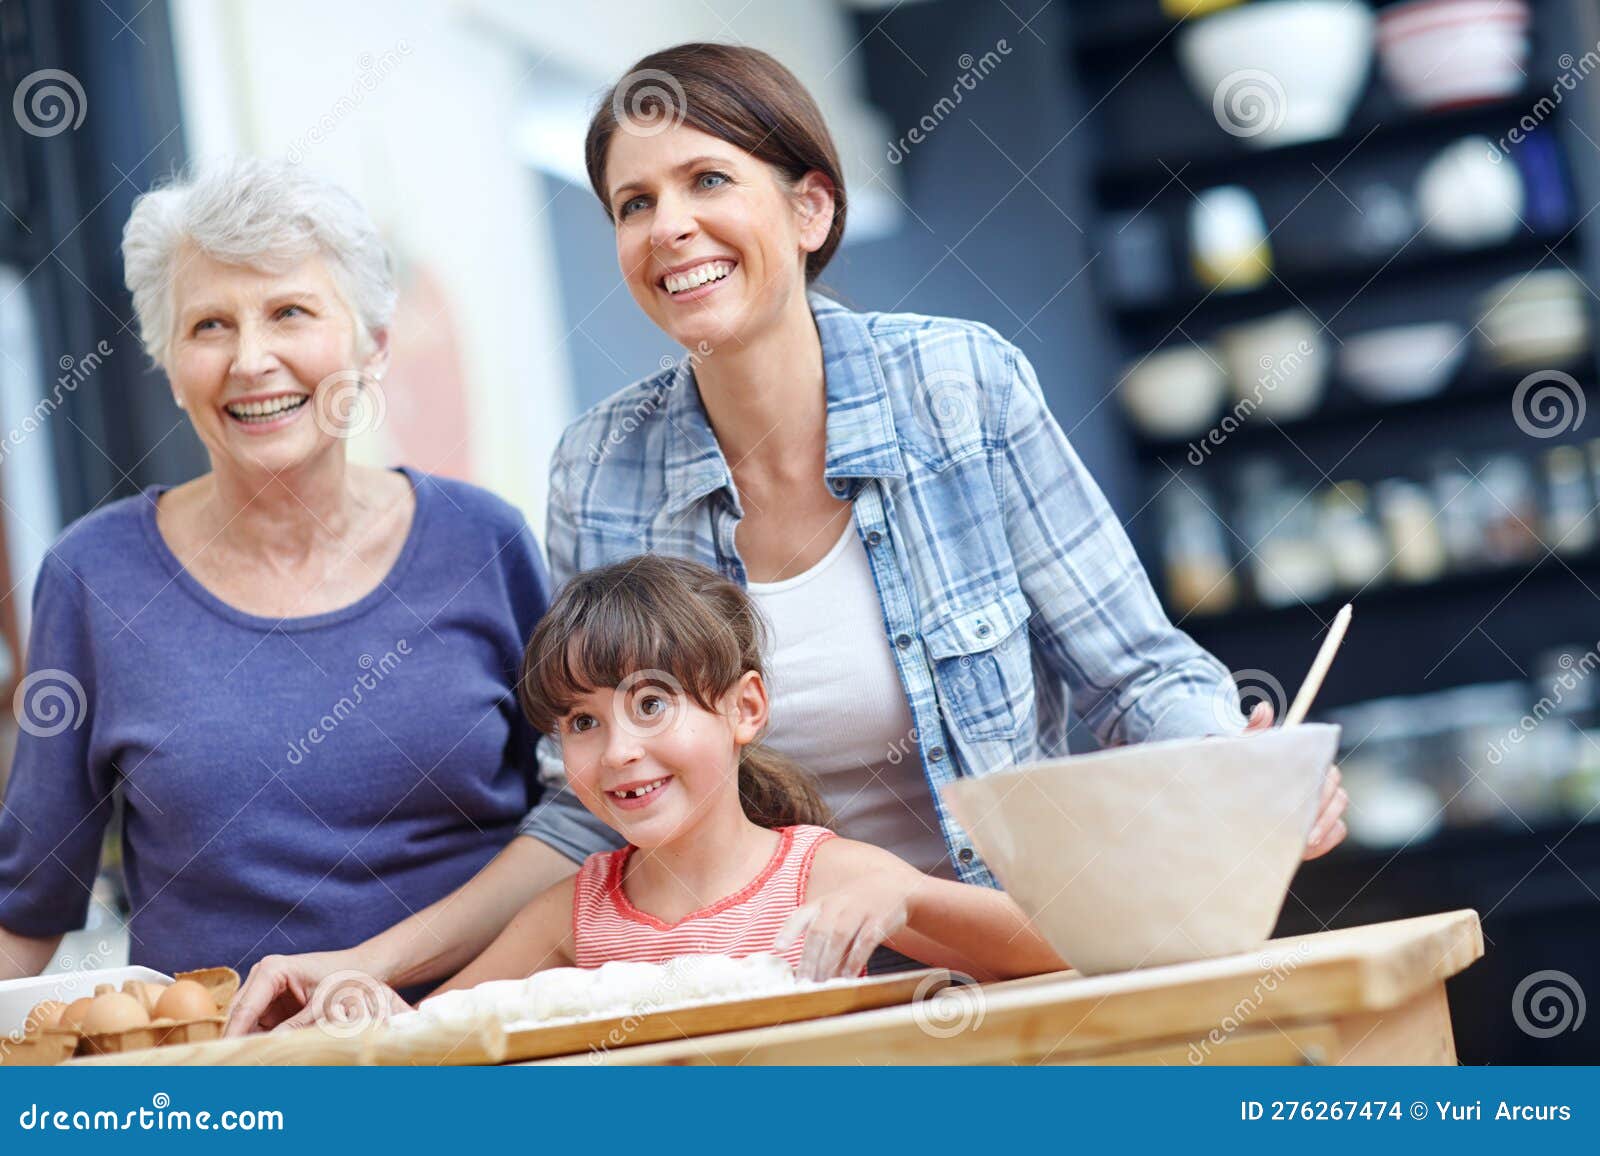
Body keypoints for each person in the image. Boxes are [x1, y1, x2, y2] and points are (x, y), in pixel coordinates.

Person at [227, 43, 1346, 1032]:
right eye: (632, 202)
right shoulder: (600, 467)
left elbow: (1130, 672)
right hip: (773, 1003)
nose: (669, 227)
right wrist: (371, 966)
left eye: (707, 180)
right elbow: (586, 805)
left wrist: (1234, 783)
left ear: (808, 209)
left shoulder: (957, 388)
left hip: (1024, 960)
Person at [0, 159, 549, 998]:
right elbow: (28, 903)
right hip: (230, 1092)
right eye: (209, 326)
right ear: (167, 360)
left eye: (290, 312)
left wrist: (380, 974)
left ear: (374, 344)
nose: (252, 360)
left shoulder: (483, 543)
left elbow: (583, 817)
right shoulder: (93, 576)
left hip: (492, 1051)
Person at [414, 554, 1063, 1002]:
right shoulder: (574, 913)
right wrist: (366, 1005)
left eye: (650, 705)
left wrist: (915, 900)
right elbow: (428, 1038)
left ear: (744, 709)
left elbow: (1061, 952)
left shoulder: (822, 879)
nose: (617, 751)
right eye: (583, 722)